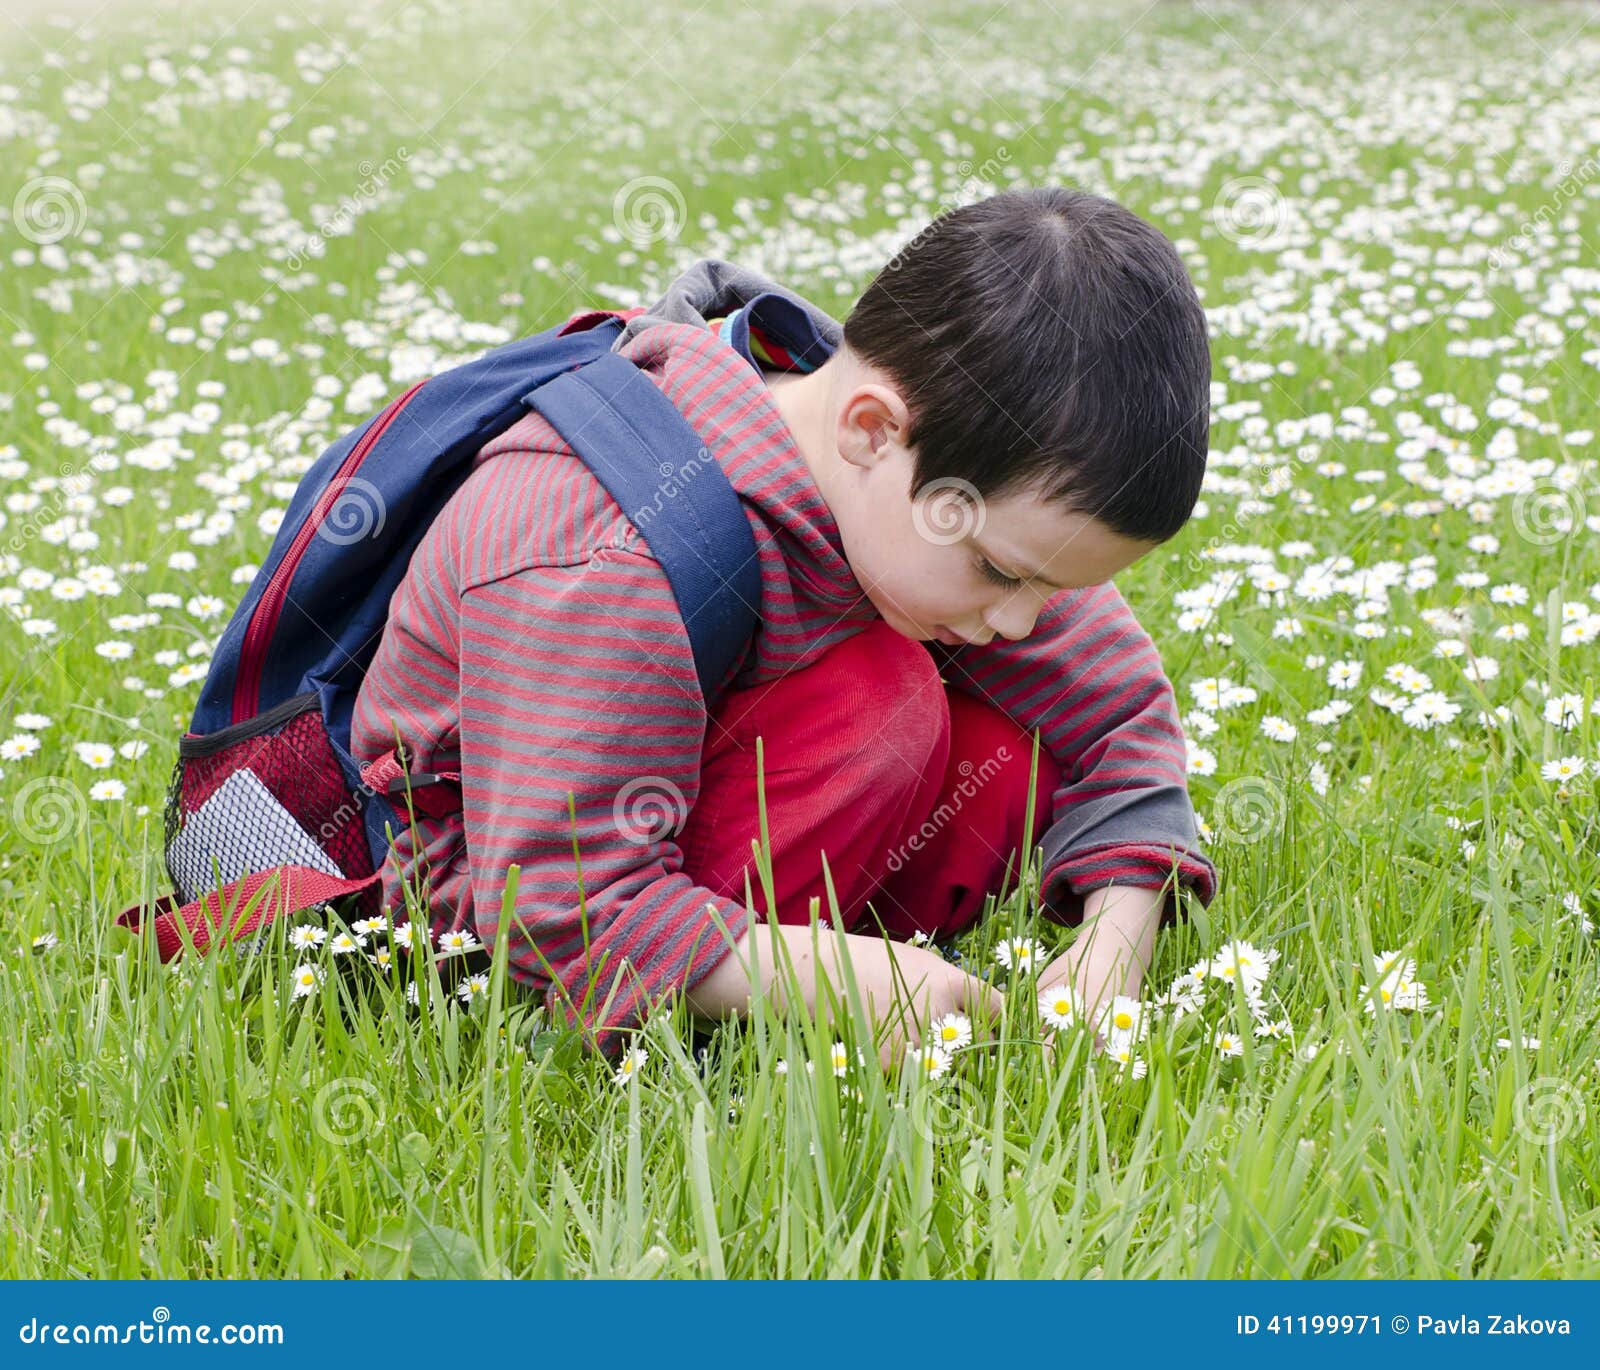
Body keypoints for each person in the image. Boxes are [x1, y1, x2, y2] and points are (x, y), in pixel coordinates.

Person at [350, 185, 1217, 1067]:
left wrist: (1118, 932)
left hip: (688, 805)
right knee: (884, 701)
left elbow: (1113, 710)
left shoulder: (936, 474)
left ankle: (788, 956)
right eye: (1001, 572)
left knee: (1011, 760)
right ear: (872, 430)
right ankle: (734, 994)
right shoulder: (612, 550)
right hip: (495, 908)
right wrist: (822, 981)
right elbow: (554, 903)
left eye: (1050, 585)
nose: (1021, 618)